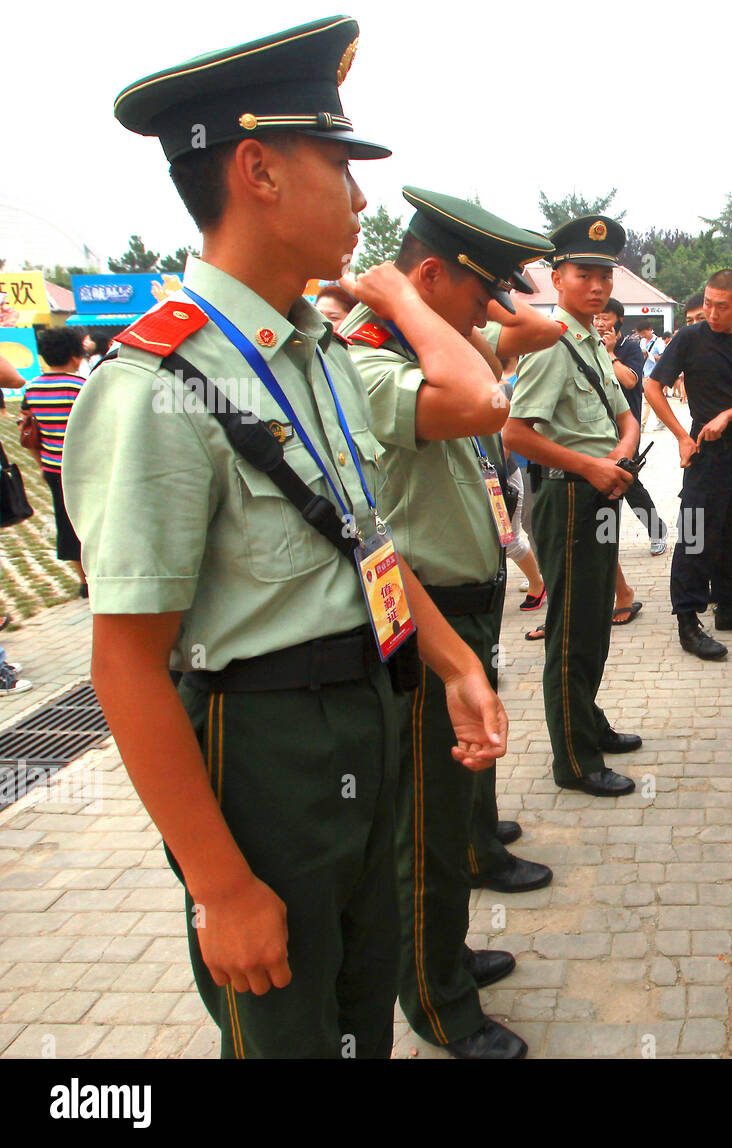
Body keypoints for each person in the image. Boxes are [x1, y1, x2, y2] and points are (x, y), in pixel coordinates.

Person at [62, 16, 507, 1059]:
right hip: (263, 748)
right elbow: (124, 661)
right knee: (286, 1030)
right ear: (257, 168)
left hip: (367, 708)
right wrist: (219, 883)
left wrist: (447, 660)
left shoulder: (314, 354)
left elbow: (365, 541)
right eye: (342, 168)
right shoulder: (156, 385)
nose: (361, 202)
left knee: (359, 1008)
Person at [341, 188, 556, 1059]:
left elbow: (509, 341)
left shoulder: (423, 346)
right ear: (425, 276)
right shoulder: (370, 361)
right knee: (425, 826)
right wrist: (396, 299)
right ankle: (438, 1001)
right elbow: (485, 406)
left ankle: (448, 956)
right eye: (476, 293)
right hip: (420, 617)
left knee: (451, 804)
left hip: (464, 604)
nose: (487, 315)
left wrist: (436, 309)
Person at [503, 215, 644, 797]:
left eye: (604, 275)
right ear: (556, 278)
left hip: (600, 488)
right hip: (567, 494)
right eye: (583, 274)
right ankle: (575, 759)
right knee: (571, 629)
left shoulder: (588, 339)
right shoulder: (550, 340)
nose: (597, 286)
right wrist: (592, 466)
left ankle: (588, 720)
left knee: (596, 623)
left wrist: (622, 454)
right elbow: (516, 433)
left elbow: (626, 414)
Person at [645, 269, 732, 660]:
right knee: (697, 534)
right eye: (707, 304)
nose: (712, 313)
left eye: (722, 307)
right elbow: (653, 386)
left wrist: (730, 417)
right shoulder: (688, 339)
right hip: (703, 449)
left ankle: (730, 605)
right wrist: (683, 435)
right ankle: (688, 619)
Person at [597, 297, 668, 557]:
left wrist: (610, 354)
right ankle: (605, 542)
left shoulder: (631, 348)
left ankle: (656, 530)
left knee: (628, 483)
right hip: (597, 430)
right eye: (596, 317)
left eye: (605, 317)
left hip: (627, 430)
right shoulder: (588, 345)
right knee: (602, 484)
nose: (600, 322)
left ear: (619, 320)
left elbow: (630, 382)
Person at [23, 327, 87, 596]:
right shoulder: (80, 387)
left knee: (66, 521)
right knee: (91, 521)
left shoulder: (32, 388)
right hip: (84, 469)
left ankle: (84, 582)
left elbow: (28, 432)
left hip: (53, 468)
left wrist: (40, 464)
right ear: (75, 356)